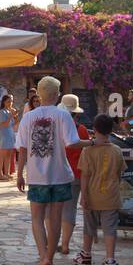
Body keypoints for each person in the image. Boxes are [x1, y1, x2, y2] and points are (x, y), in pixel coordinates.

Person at [16, 75, 82, 265]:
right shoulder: (63, 116)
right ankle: (49, 260)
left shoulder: (28, 117)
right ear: (55, 95)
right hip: (60, 175)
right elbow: (72, 143)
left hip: (36, 176)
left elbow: (23, 148)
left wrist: (19, 174)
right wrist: (93, 143)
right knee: (55, 219)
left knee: (36, 218)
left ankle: (43, 257)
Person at [75, 113, 125, 265]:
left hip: (92, 195)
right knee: (110, 229)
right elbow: (119, 174)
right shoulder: (117, 151)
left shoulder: (87, 150)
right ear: (111, 130)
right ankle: (110, 261)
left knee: (89, 227)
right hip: (110, 196)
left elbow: (85, 175)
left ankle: (86, 255)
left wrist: (84, 195)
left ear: (94, 129)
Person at [58, 93, 91, 254]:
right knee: (70, 210)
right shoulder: (82, 130)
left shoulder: (57, 128)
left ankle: (55, 243)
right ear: (76, 113)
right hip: (77, 173)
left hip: (60, 174)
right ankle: (65, 244)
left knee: (57, 210)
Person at [0, 93, 18, 181]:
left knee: (9, 155)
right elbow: (3, 124)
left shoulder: (9, 112)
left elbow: (15, 125)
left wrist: (15, 117)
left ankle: (7, 173)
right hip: (4, 135)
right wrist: (10, 116)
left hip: (10, 134)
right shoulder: (1, 112)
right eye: (8, 101)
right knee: (2, 155)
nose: (10, 103)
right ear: (4, 102)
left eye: (11, 101)